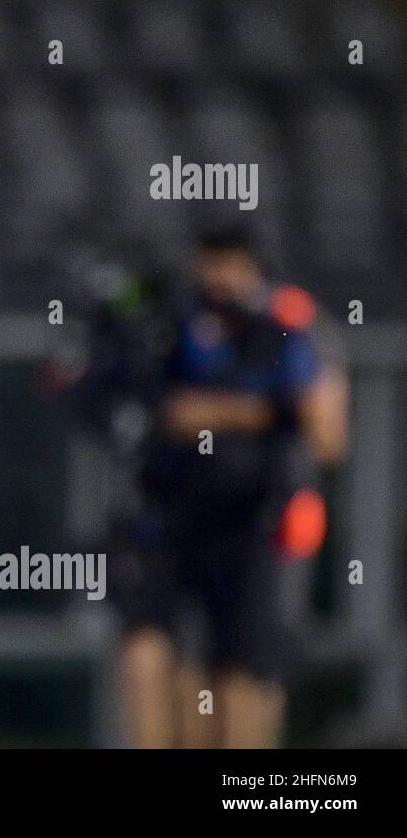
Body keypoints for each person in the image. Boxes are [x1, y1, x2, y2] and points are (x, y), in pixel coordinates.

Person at [116, 225, 348, 748]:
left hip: (256, 523)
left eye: (230, 265)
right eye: (211, 263)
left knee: (246, 670)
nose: (218, 279)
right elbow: (157, 411)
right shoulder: (172, 326)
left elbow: (326, 431)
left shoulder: (289, 326)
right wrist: (258, 412)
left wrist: (229, 412)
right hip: (174, 517)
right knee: (160, 655)